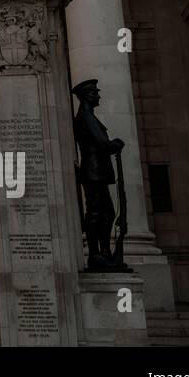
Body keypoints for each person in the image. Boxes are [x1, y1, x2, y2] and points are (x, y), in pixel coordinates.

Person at [71, 79, 125, 270]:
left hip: (97, 172)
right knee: (96, 212)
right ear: (85, 97)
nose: (98, 96)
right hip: (93, 172)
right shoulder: (85, 117)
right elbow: (102, 143)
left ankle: (104, 252)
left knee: (106, 212)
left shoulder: (89, 116)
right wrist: (115, 144)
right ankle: (96, 254)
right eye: (94, 93)